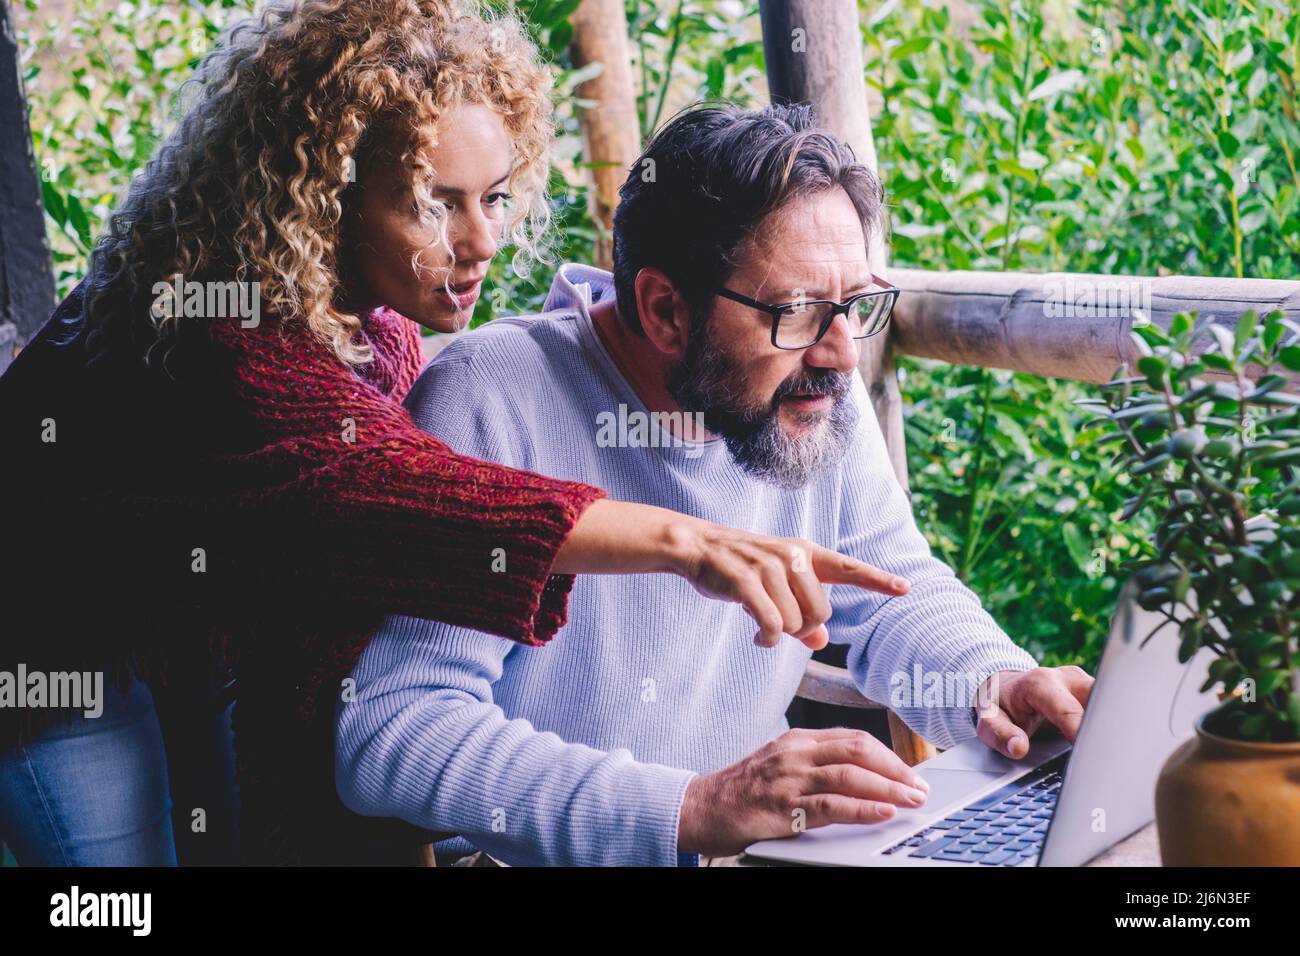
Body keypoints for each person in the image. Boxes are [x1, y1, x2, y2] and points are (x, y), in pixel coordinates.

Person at [0, 5, 905, 866]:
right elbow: (403, 493)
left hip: (179, 626)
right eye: (437, 205)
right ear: (329, 198)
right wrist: (686, 541)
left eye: (497, 197)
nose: (482, 242)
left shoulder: (382, 327)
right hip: (49, 645)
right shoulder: (221, 331)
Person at [335, 103, 1096, 866]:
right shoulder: (491, 398)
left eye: (855, 305)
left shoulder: (811, 386)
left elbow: (895, 592)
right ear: (666, 309)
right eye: (795, 311)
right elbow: (392, 727)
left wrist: (993, 683)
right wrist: (689, 807)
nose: (839, 353)